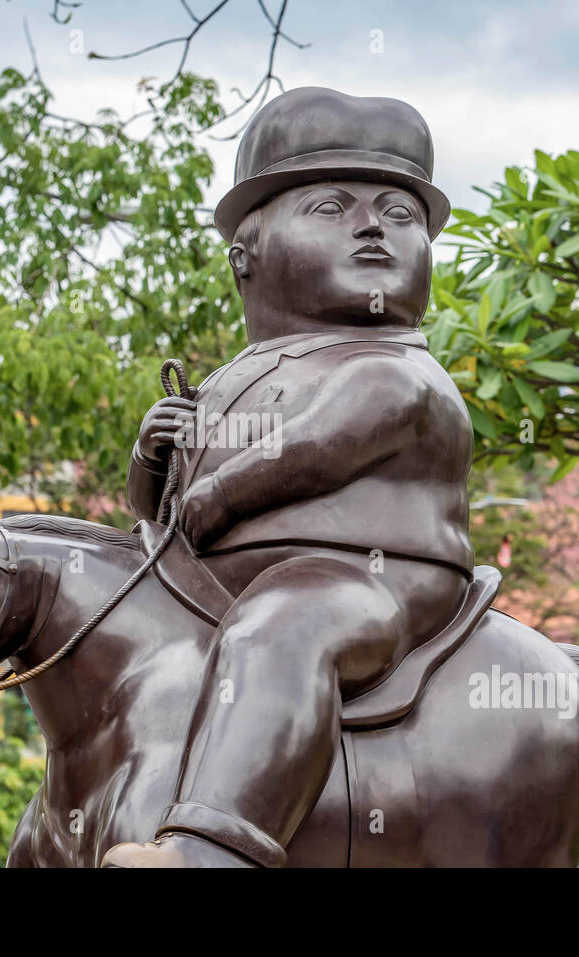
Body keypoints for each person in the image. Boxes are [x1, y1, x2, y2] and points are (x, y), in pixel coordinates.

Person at [104, 88, 475, 867]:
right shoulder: (237, 374)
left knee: (286, 625)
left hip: (375, 584)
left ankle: (210, 854)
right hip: (214, 586)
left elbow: (318, 446)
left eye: (399, 214)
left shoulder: (395, 367)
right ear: (247, 254)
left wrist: (218, 494)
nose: (373, 224)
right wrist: (154, 458)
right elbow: (157, 520)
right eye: (333, 206)